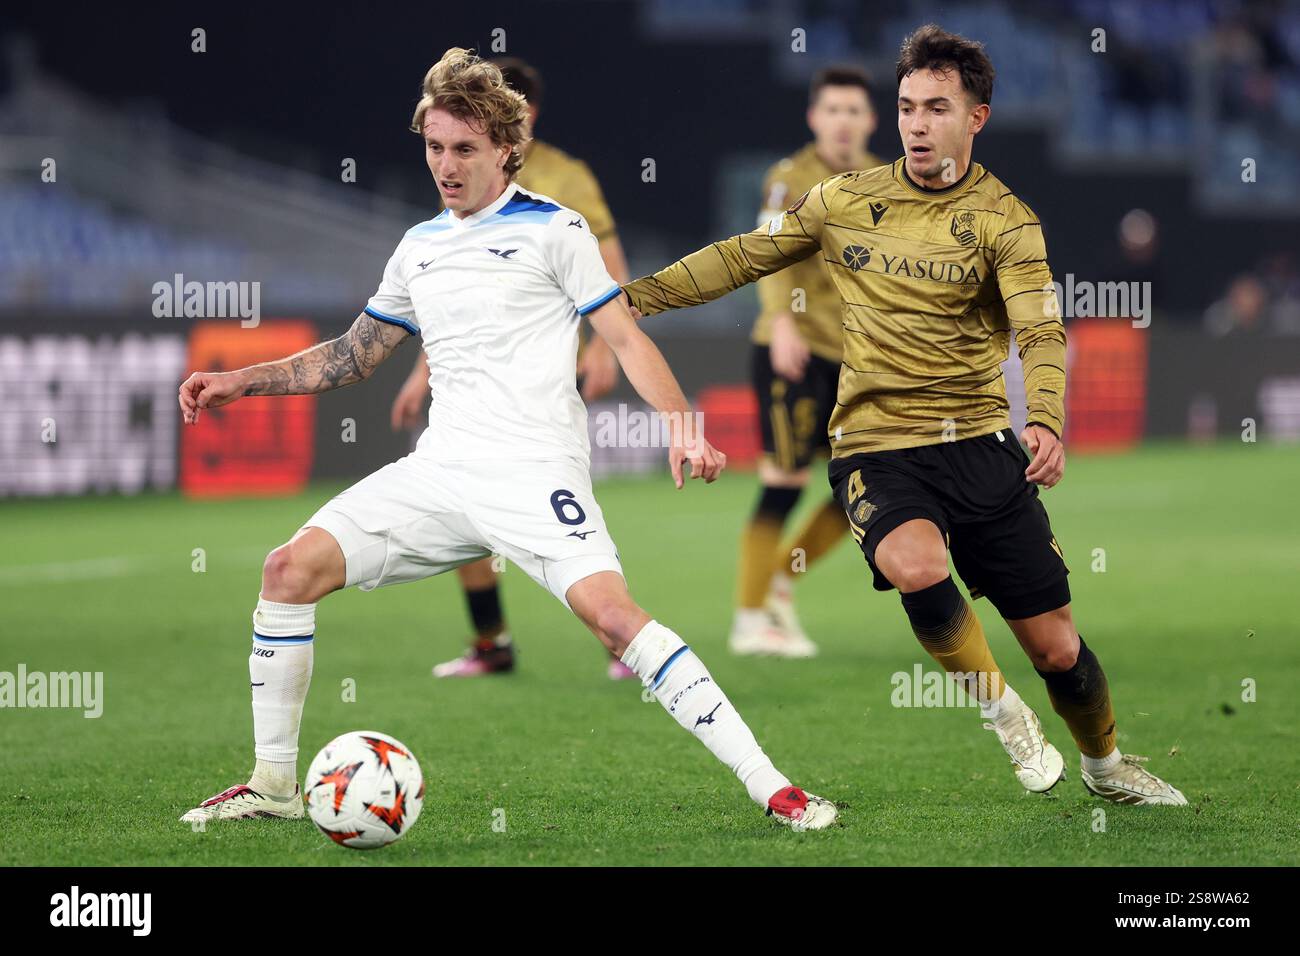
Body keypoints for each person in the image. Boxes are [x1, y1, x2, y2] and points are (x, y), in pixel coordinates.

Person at [177, 48, 836, 830]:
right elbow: (354, 356)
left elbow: (623, 338)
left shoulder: (556, 230)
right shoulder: (419, 247)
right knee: (287, 570)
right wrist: (240, 381)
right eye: (433, 147)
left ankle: (774, 787)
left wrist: (683, 427)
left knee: (617, 622)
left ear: (504, 149)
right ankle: (275, 785)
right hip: (442, 472)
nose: (445, 165)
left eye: (463, 149)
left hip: (534, 474)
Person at [622, 25, 1186, 806]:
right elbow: (742, 255)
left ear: (976, 118)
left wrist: (1047, 418)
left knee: (1058, 649)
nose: (916, 124)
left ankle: (1106, 765)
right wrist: (633, 297)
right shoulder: (844, 200)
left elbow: (1040, 329)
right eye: (907, 107)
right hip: (875, 443)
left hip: (982, 444)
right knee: (913, 564)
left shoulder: (1006, 220)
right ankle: (1004, 715)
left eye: (936, 108)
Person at [387, 58, 636, 680]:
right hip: (469, 387)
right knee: (462, 510)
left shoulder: (564, 179)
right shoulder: (463, 170)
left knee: (560, 519)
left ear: (525, 113)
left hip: (542, 373)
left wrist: (603, 348)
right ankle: (492, 642)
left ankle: (623, 642)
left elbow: (608, 260)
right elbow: (458, 298)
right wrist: (421, 375)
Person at [732, 65, 883, 659]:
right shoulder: (789, 178)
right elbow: (767, 249)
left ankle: (779, 586)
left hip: (857, 359)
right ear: (814, 117)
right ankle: (748, 621)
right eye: (833, 110)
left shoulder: (882, 182)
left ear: (871, 121)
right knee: (785, 480)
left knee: (867, 484)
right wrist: (785, 320)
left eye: (854, 111)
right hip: (791, 349)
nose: (843, 121)